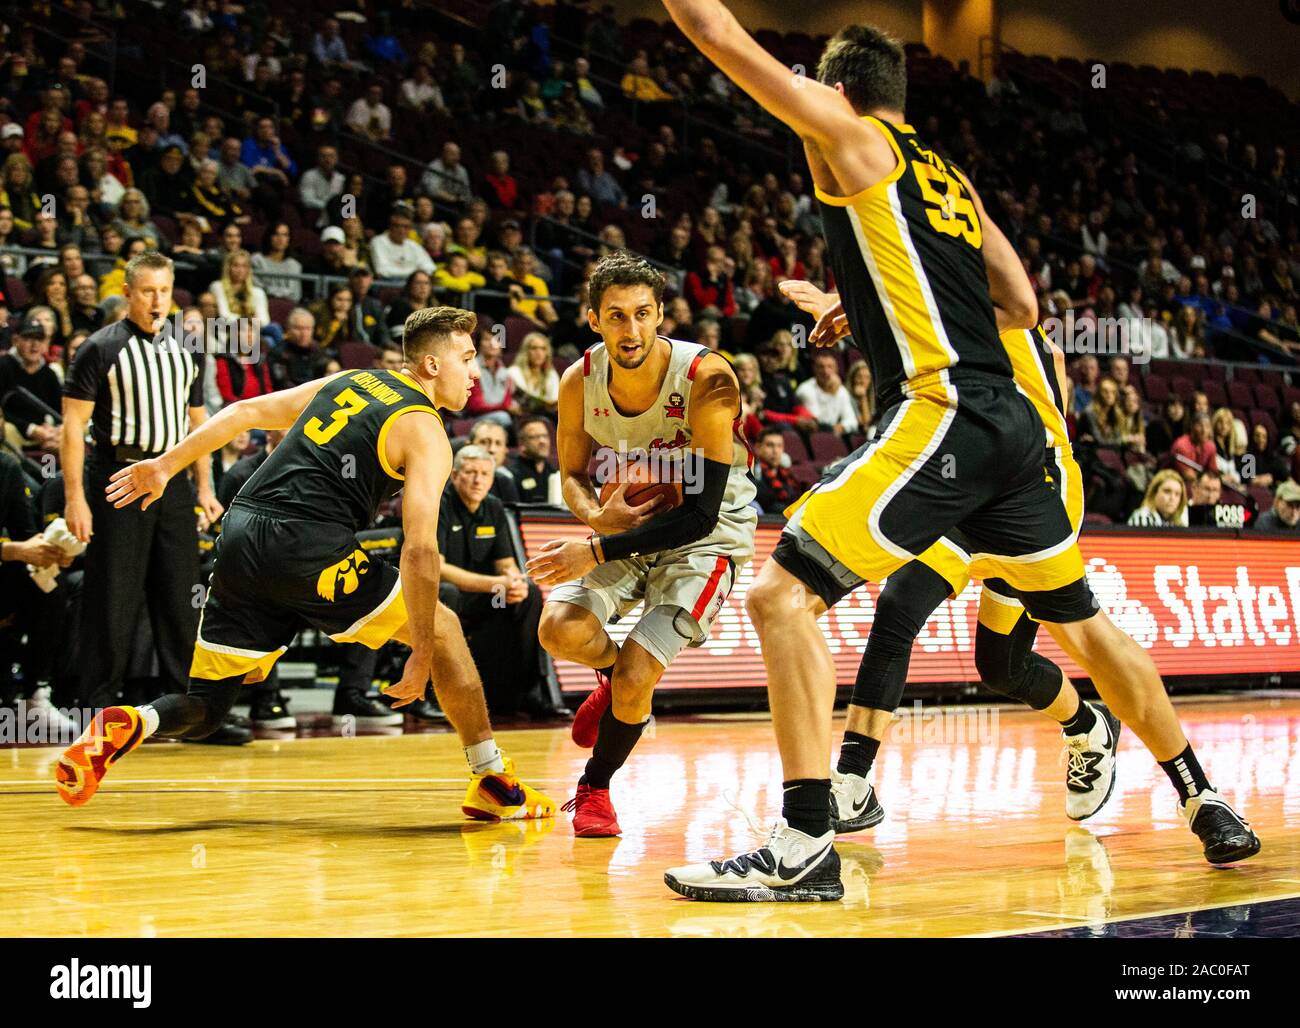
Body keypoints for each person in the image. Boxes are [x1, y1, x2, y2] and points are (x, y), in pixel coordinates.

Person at [657, 8, 1256, 900]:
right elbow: (1017, 302)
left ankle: (804, 839)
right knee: (1083, 625)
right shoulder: (950, 179)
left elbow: (717, 36)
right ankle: (1207, 800)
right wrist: (865, 305)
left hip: (945, 415)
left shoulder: (849, 135)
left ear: (841, 93)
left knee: (782, 593)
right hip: (1015, 433)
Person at [56, 306, 556, 823]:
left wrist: (165, 465)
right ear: (430, 365)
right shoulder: (424, 429)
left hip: (241, 533)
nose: (476, 373)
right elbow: (420, 550)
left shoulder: (351, 380)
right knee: (446, 627)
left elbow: (244, 412)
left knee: (205, 709)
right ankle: (493, 780)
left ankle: (136, 722)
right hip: (308, 544)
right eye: (468, 358)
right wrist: (423, 650)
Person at [527, 252, 758, 837]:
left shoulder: (709, 378)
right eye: (616, 316)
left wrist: (595, 549)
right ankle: (607, 681)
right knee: (558, 629)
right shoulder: (579, 379)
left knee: (639, 674)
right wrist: (596, 518)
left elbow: (701, 515)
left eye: (642, 315)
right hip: (626, 527)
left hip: (705, 538)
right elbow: (573, 475)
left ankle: (595, 786)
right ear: (592, 319)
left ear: (660, 315)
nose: (630, 331)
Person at [59, 252, 226, 724]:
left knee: (179, 595)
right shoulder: (100, 348)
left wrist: (205, 487)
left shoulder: (188, 348)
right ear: (129, 293)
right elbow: (73, 429)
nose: (157, 301)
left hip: (171, 480)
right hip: (120, 478)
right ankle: (94, 707)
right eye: (148, 291)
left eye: (164, 291)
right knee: (113, 595)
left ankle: (187, 710)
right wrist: (76, 498)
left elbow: (199, 426)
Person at [437, 445, 560, 718]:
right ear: (455, 475)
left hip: (483, 594)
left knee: (529, 595)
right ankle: (437, 697)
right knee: (446, 593)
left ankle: (532, 691)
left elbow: (506, 563)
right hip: (447, 593)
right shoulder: (439, 504)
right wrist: (496, 585)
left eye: (484, 474)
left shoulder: (493, 506)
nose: (477, 480)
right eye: (470, 472)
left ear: (493, 478)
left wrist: (514, 582)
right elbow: (439, 569)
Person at [0, 318, 63, 450]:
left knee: (70, 432)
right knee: (8, 430)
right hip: (15, 432)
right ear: (16, 340)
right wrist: (30, 429)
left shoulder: (49, 374)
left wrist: (55, 430)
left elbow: (60, 411)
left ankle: (50, 470)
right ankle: (14, 470)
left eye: (39, 339)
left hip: (44, 433)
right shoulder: (3, 366)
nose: (35, 345)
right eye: (28, 338)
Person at [794, 349, 858, 436]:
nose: (825, 371)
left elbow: (852, 421)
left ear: (836, 369)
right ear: (814, 369)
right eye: (821, 367)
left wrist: (841, 427)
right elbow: (818, 421)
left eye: (830, 367)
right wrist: (829, 393)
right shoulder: (805, 389)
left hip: (832, 435)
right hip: (811, 435)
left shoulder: (841, 390)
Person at [508, 331, 561, 416]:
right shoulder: (513, 372)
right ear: (526, 351)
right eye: (534, 348)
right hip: (521, 416)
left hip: (547, 416)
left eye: (543, 349)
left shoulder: (551, 374)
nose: (539, 353)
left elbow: (554, 400)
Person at [507, 416, 557, 503]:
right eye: (535, 437)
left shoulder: (555, 472)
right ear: (522, 443)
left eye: (545, 436)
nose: (542, 441)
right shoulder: (511, 474)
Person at [752, 426, 799, 514]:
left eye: (779, 446)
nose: (775, 450)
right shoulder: (751, 472)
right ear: (758, 448)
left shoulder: (787, 476)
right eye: (770, 445)